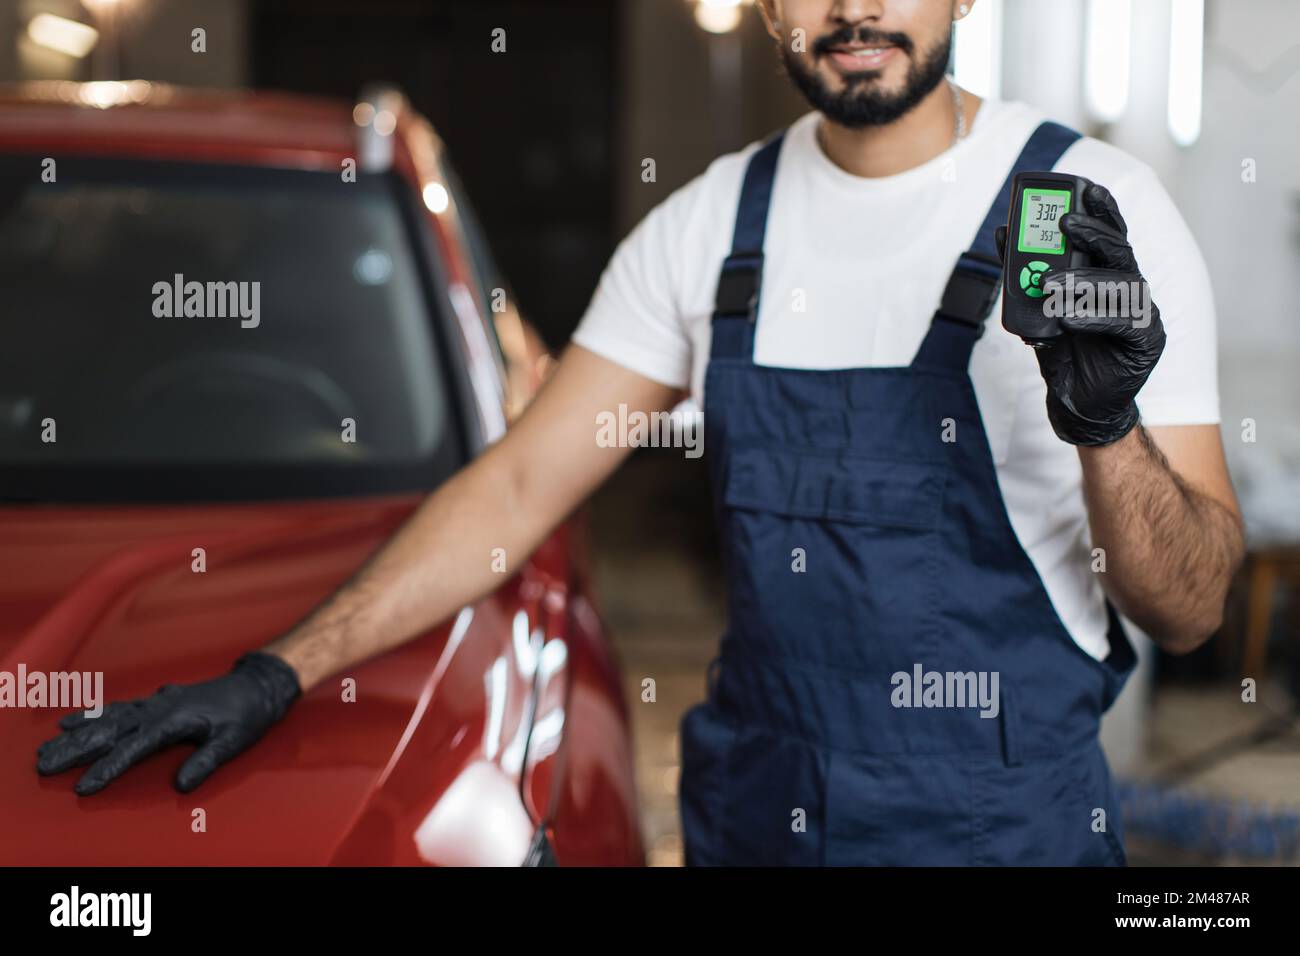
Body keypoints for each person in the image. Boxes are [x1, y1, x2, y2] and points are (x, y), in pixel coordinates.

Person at [37, 0, 1244, 866]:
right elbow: (515, 489)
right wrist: (280, 665)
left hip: (1001, 828)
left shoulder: (1091, 216)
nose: (856, 9)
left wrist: (1105, 423)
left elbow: (1188, 607)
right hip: (756, 812)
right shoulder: (710, 227)